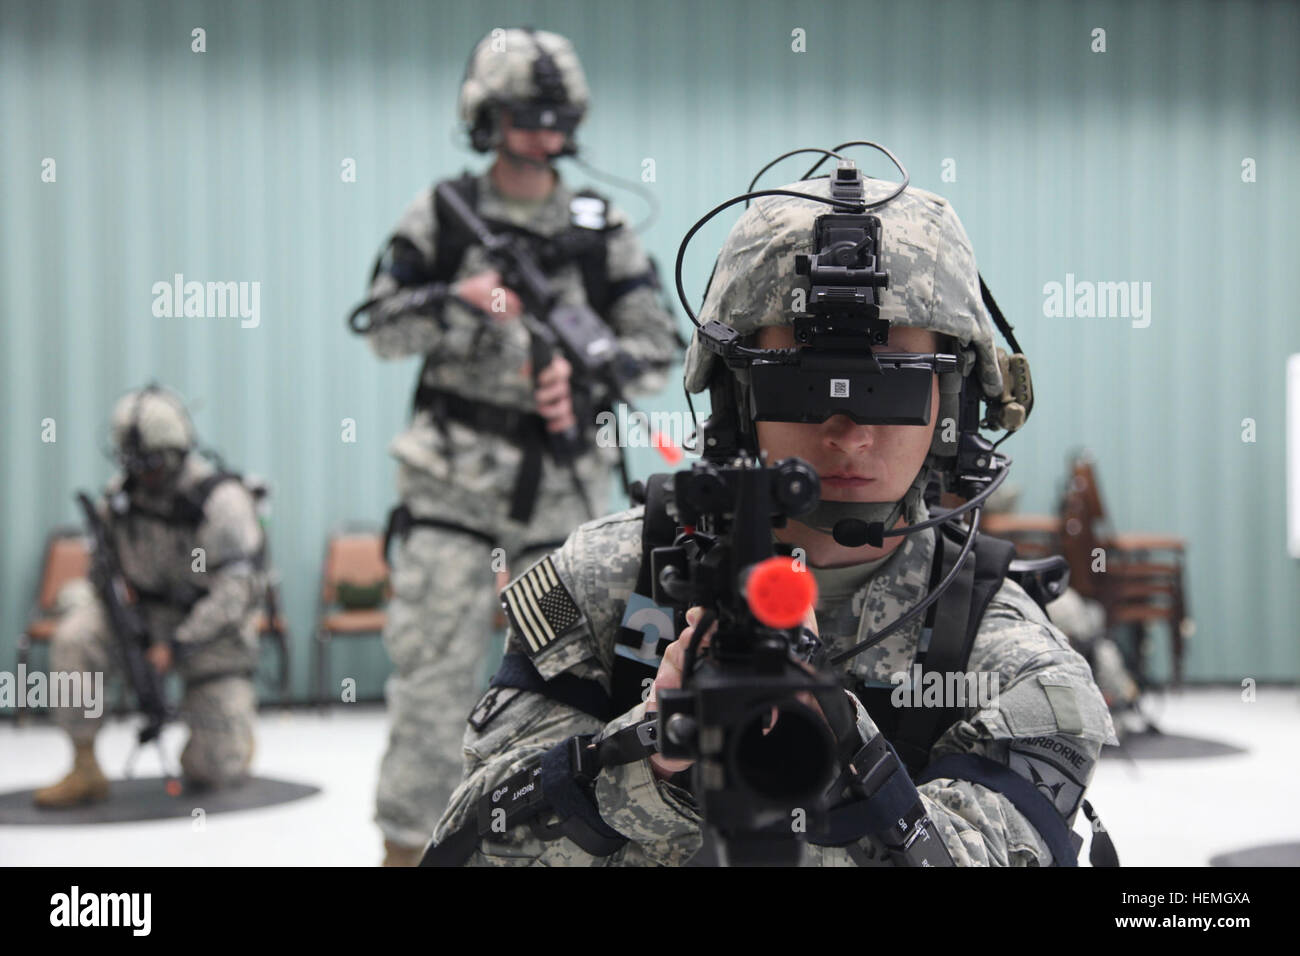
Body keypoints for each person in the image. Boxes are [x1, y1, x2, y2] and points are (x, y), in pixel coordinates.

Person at [425, 153, 1118, 866]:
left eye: (895, 387)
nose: (848, 430)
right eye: (802, 385)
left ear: (954, 406)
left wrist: (845, 750)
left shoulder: (1002, 651)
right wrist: (645, 754)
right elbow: (468, 846)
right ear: (736, 395)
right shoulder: (602, 586)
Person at [351, 28, 679, 865]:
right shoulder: (445, 211)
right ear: (485, 117)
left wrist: (588, 377)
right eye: (527, 116)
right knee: (430, 680)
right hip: (450, 488)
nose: (545, 134)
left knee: (574, 682)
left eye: (558, 117)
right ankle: (404, 849)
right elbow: (379, 326)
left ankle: (555, 846)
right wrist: (460, 299)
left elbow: (657, 346)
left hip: (562, 495)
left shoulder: (599, 227)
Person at [34, 385, 264, 806]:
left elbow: (237, 592)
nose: (143, 476)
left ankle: (230, 738)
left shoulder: (221, 501)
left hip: (208, 632)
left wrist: (177, 645)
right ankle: (83, 764)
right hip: (142, 618)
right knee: (75, 636)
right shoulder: (119, 498)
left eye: (153, 464)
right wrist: (118, 609)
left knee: (212, 771)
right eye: (134, 464)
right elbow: (100, 570)